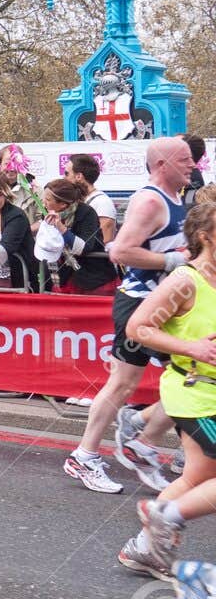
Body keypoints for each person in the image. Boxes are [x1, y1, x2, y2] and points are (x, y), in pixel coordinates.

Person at [68, 136, 195, 494]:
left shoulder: (175, 197)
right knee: (127, 383)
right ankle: (88, 455)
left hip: (164, 305)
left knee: (193, 378)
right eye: (184, 160)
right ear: (162, 165)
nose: (192, 164)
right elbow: (121, 251)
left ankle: (141, 437)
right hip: (140, 305)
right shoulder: (150, 200)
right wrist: (175, 260)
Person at [117, 203, 216, 578]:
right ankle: (167, 517)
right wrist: (192, 348)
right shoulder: (185, 281)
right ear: (206, 236)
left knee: (197, 478)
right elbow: (138, 328)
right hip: (194, 393)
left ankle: (145, 549)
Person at [35, 178, 113, 295]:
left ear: (63, 204)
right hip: (63, 275)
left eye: (48, 199)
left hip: (93, 277)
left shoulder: (86, 213)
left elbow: (84, 247)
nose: (43, 202)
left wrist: (61, 227)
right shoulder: (48, 213)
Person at [68, 153, 119, 244]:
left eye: (67, 174)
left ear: (79, 176)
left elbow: (104, 241)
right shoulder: (79, 201)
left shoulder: (102, 203)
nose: (64, 178)